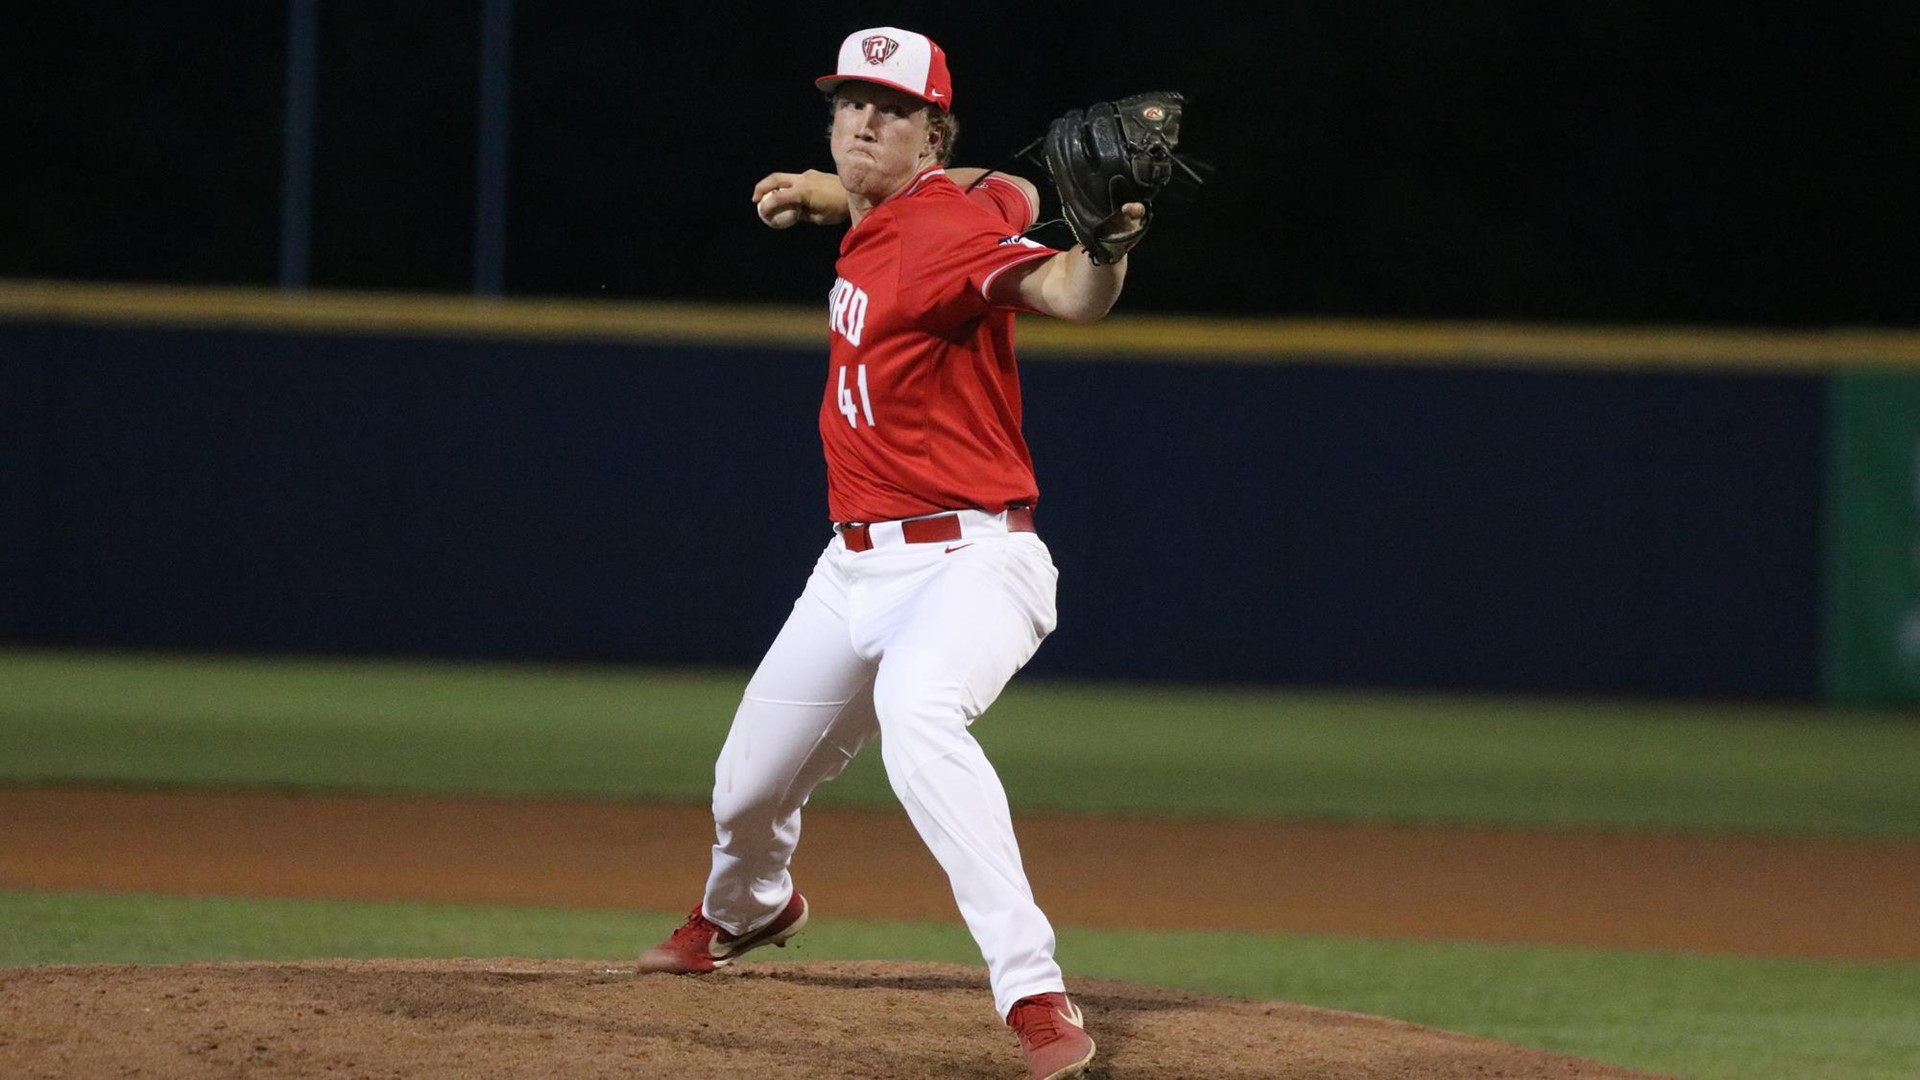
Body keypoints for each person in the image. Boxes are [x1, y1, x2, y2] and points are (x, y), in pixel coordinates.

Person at [637, 26, 1146, 1080]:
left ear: (928, 133)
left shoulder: (944, 235)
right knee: (742, 791)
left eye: (894, 109)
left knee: (920, 716)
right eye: (851, 104)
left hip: (975, 560)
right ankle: (750, 910)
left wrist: (1105, 249)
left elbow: (1063, 294)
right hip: (853, 566)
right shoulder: (928, 205)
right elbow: (1001, 183)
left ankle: (1035, 996)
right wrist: (840, 192)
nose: (867, 119)